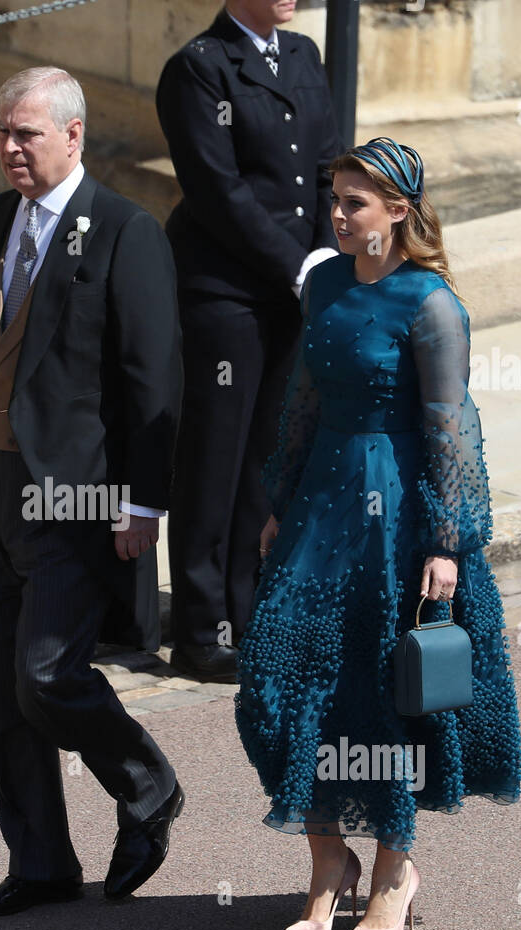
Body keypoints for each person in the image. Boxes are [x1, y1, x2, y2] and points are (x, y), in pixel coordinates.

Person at [235, 137, 521, 930]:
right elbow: (300, 396)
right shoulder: (324, 279)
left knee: (382, 693)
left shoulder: (430, 304)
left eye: (353, 202)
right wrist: (278, 499)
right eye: (333, 198)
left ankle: (395, 867)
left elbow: (450, 427)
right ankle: (331, 859)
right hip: (320, 502)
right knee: (273, 680)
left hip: (396, 513)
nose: (336, 213)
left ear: (398, 211)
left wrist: (448, 539)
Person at [0, 67, 185, 917]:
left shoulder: (125, 231)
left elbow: (153, 379)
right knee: (2, 705)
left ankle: (146, 785)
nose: (10, 148)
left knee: (47, 672)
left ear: (73, 135)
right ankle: (41, 862)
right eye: (3, 132)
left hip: (77, 493)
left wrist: (144, 504)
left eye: (28, 134)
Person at [155, 0, 341, 683]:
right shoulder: (198, 69)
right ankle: (203, 631)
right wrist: (297, 267)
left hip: (296, 286)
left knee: (271, 455)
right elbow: (217, 190)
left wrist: (326, 260)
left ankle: (252, 610)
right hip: (226, 292)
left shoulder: (301, 57)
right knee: (214, 458)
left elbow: (326, 170)